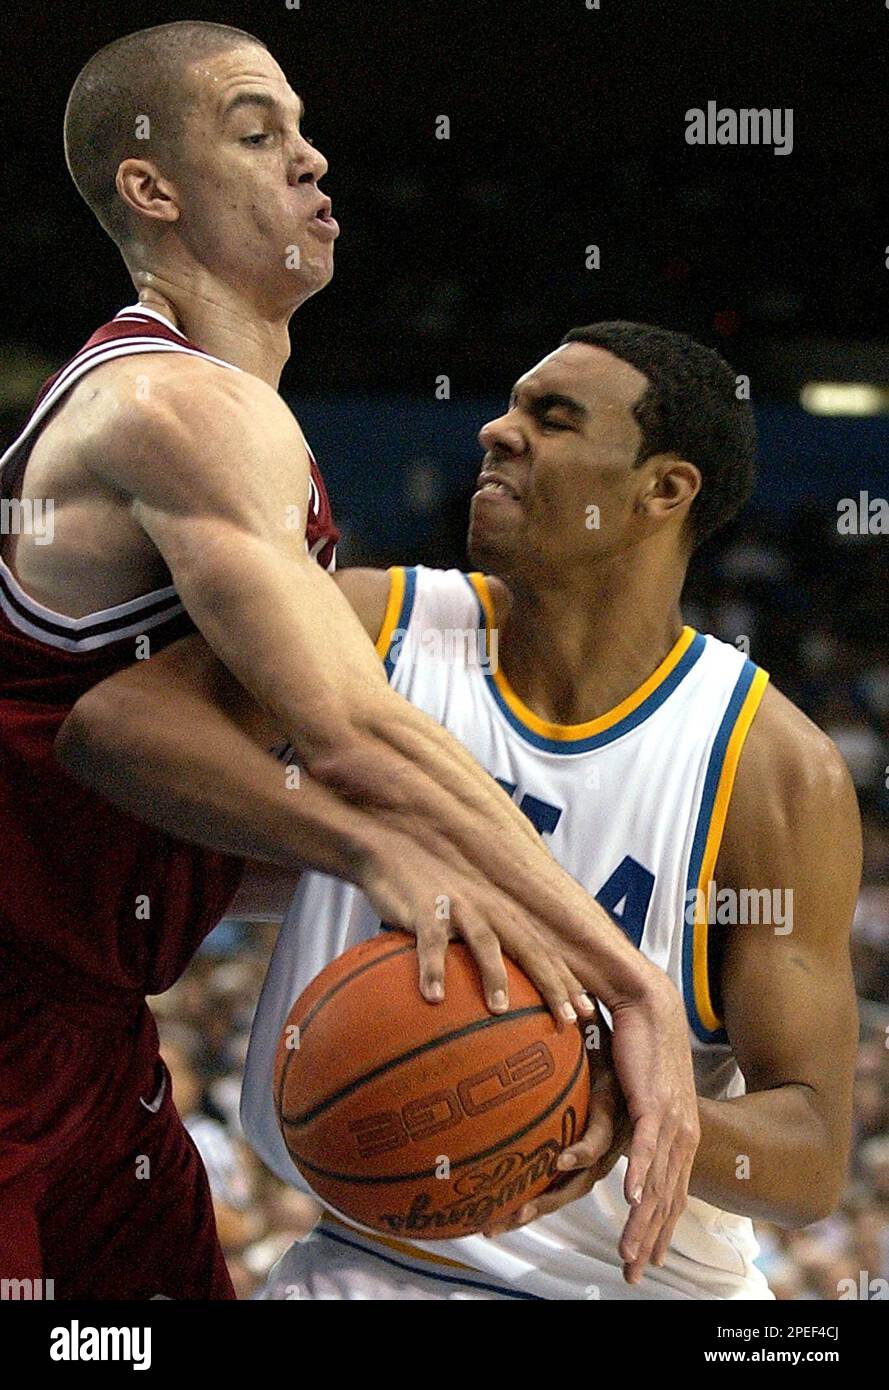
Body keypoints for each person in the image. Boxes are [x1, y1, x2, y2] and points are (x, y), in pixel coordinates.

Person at [0, 21, 695, 1300]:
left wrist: (447, 885)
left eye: (304, 129)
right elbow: (351, 736)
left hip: (82, 1034)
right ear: (152, 189)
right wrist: (630, 984)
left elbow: (117, 787)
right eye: (255, 132)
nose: (311, 159)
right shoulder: (174, 407)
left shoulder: (237, 421)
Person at [59, 322, 862, 1297]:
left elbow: (809, 1156)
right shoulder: (377, 628)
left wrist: (624, 1112)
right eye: (510, 406)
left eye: (553, 418)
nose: (496, 431)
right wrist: (363, 843)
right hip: (357, 1261)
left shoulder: (768, 767)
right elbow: (109, 725)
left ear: (663, 489)